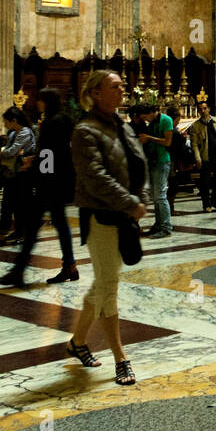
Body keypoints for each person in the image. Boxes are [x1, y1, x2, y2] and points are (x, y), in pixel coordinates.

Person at [65, 70, 150, 386]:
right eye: (115, 86)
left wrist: (140, 198)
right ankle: (121, 358)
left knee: (102, 284)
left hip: (125, 216)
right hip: (101, 217)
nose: (122, 90)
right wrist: (130, 203)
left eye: (122, 85)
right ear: (97, 93)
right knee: (109, 286)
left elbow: (138, 164)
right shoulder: (84, 131)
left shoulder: (122, 125)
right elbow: (95, 177)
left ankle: (77, 343)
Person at [0, 89, 77, 287]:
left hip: (49, 182)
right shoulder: (65, 120)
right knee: (60, 224)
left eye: (39, 100)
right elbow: (61, 151)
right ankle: (69, 266)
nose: (37, 103)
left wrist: (38, 169)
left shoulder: (50, 122)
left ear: (45, 102)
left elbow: (48, 152)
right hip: (62, 179)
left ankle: (19, 271)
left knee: (32, 226)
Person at [0, 106, 36, 246]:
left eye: (6, 121)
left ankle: (23, 232)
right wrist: (6, 152)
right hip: (12, 172)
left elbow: (10, 151)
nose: (4, 124)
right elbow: (9, 151)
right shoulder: (12, 133)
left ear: (14, 120)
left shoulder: (25, 132)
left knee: (22, 204)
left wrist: (5, 152)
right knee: (7, 204)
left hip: (24, 173)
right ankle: (6, 232)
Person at [137, 103, 174, 238]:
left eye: (146, 116)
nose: (146, 119)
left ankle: (165, 226)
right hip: (153, 161)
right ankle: (158, 224)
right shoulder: (152, 123)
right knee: (155, 196)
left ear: (153, 112)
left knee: (160, 195)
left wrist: (149, 138)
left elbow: (167, 142)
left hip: (162, 161)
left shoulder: (166, 120)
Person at [188, 99, 216, 212]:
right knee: (205, 182)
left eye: (205, 108)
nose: (203, 111)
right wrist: (197, 158)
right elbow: (194, 144)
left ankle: (215, 201)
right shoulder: (195, 126)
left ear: (208, 109)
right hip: (205, 155)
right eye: (200, 109)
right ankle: (206, 205)